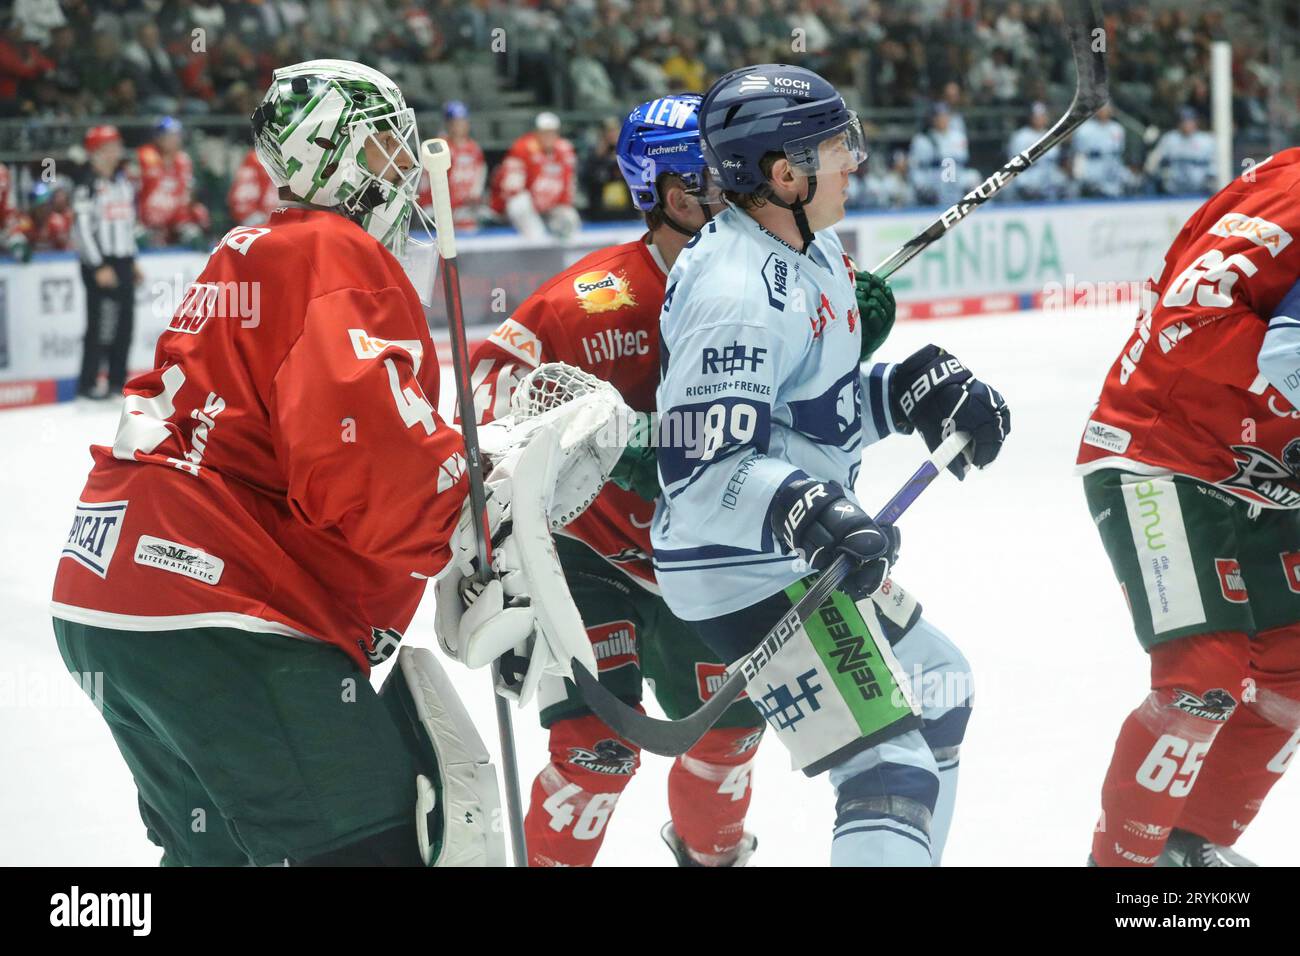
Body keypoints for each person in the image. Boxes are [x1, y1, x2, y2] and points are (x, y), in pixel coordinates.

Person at [49, 59, 574, 868]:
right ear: (336, 157)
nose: (401, 171)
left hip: (116, 596)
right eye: (382, 151)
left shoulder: (253, 246)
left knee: (223, 851)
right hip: (216, 606)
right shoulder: (333, 252)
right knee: (368, 842)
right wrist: (474, 522)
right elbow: (358, 455)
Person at [653, 64, 1010, 866]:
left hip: (788, 547)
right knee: (888, 772)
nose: (855, 159)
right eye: (835, 145)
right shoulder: (735, 288)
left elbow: (813, 412)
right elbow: (702, 468)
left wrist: (910, 393)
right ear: (784, 175)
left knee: (940, 686)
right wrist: (806, 509)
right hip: (742, 564)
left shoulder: (812, 249)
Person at [468, 94, 767, 868]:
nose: (750, 185)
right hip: (590, 557)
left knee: (730, 734)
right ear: (675, 195)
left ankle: (714, 857)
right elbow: (484, 406)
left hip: (709, 555)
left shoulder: (768, 282)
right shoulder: (584, 302)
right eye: (724, 176)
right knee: (596, 748)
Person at [1077, 147, 1300, 867]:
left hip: (1260, 472)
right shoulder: (1288, 188)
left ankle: (1183, 850)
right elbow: (1260, 346)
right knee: (1202, 678)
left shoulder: (1279, 177)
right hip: (1161, 456)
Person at [71, 125, 140, 400]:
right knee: (100, 326)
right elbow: (82, 230)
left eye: (116, 146)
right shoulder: (87, 185)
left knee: (125, 324)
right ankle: (87, 384)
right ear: (95, 153)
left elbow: (128, 225)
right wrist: (98, 265)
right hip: (99, 262)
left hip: (122, 260)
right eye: (108, 147)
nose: (115, 152)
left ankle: (116, 382)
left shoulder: (123, 183)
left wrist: (132, 259)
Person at [490, 111, 580, 240]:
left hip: (550, 207)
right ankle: (536, 242)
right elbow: (512, 190)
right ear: (536, 133)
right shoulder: (522, 148)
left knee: (570, 217)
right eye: (544, 132)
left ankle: (565, 257)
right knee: (520, 203)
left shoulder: (565, 150)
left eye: (552, 132)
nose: (548, 136)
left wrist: (559, 205)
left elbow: (568, 184)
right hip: (527, 207)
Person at [134, 115, 209, 247]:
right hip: (144, 223)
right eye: (170, 135)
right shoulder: (144, 157)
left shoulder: (183, 160)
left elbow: (186, 196)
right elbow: (132, 194)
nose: (175, 140)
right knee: (139, 237)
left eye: (177, 135)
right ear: (158, 137)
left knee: (196, 233)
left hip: (174, 222)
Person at [416, 100, 485, 234]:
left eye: (462, 121)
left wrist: (474, 198)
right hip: (438, 208)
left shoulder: (474, 148)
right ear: (448, 124)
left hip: (465, 208)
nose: (459, 126)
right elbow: (427, 183)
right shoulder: (439, 146)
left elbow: (479, 179)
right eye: (455, 122)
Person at [908, 101, 979, 208]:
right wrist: (923, 188)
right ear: (932, 119)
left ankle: (979, 211)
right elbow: (916, 169)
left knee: (974, 177)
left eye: (944, 115)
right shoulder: (922, 140)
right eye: (938, 116)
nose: (942, 119)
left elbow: (963, 163)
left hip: (956, 177)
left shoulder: (958, 136)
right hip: (934, 179)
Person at [1145, 106, 1217, 196]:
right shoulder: (1170, 139)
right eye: (1184, 121)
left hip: (1200, 191)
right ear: (1178, 123)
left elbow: (1215, 165)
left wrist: (1211, 180)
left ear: (1196, 121)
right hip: (1174, 192)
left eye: (1190, 120)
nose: (1187, 124)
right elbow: (1153, 162)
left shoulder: (1206, 140)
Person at [1006, 102, 1070, 201]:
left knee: (1065, 184)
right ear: (1031, 117)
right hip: (1029, 175)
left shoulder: (1050, 134)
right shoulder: (1021, 136)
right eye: (1037, 116)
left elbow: (1055, 158)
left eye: (1043, 115)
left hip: (1048, 175)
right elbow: (1014, 164)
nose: (1041, 118)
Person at [1072, 102, 1133, 199]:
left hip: (1113, 164)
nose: (1104, 112)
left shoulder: (1117, 128)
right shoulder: (1084, 129)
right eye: (1101, 109)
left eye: (1106, 109)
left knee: (1131, 181)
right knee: (1096, 188)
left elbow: (1120, 152)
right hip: (1093, 165)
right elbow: (1079, 154)